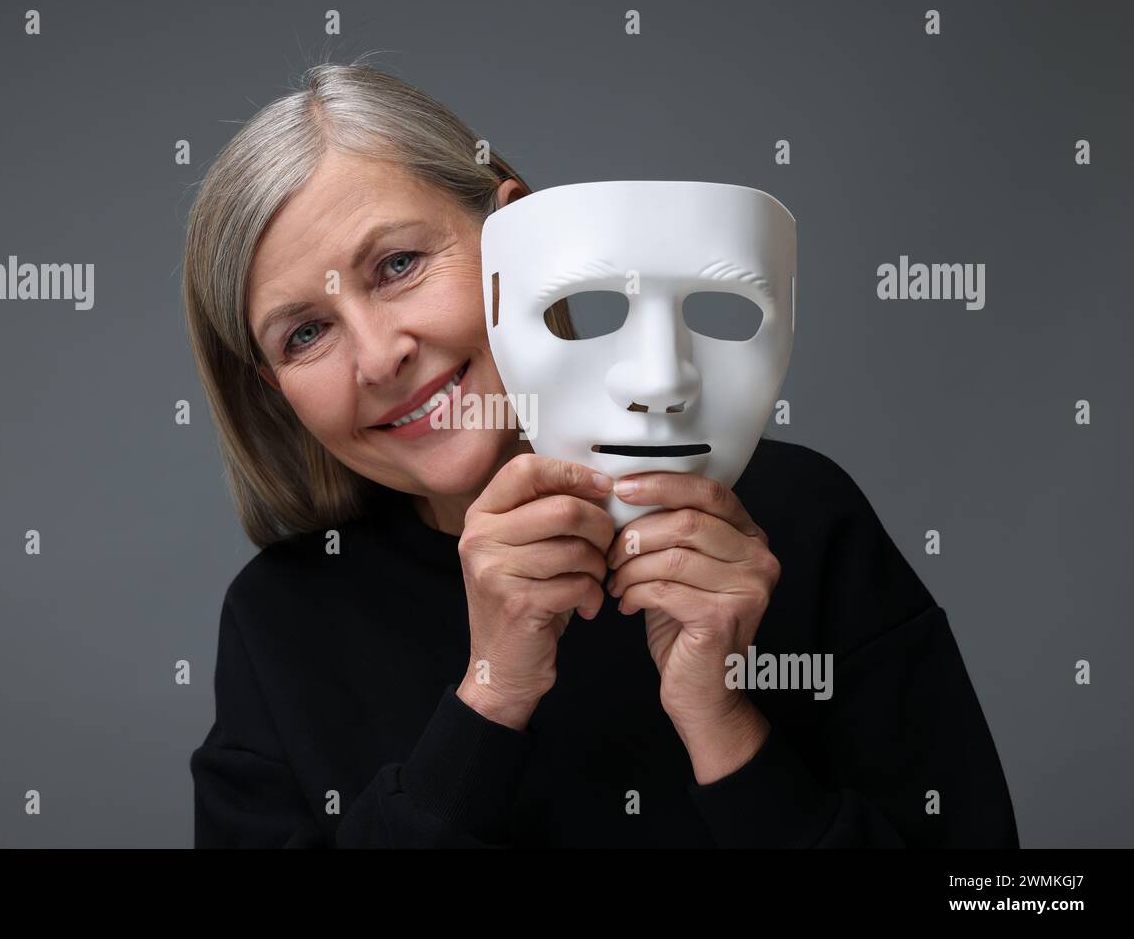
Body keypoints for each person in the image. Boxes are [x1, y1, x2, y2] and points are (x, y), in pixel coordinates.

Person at [182, 56, 1018, 848]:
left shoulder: (801, 520)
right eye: (306, 332)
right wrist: (489, 696)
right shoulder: (278, 625)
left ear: (517, 237)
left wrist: (721, 723)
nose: (377, 356)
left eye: (398, 264)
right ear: (272, 385)